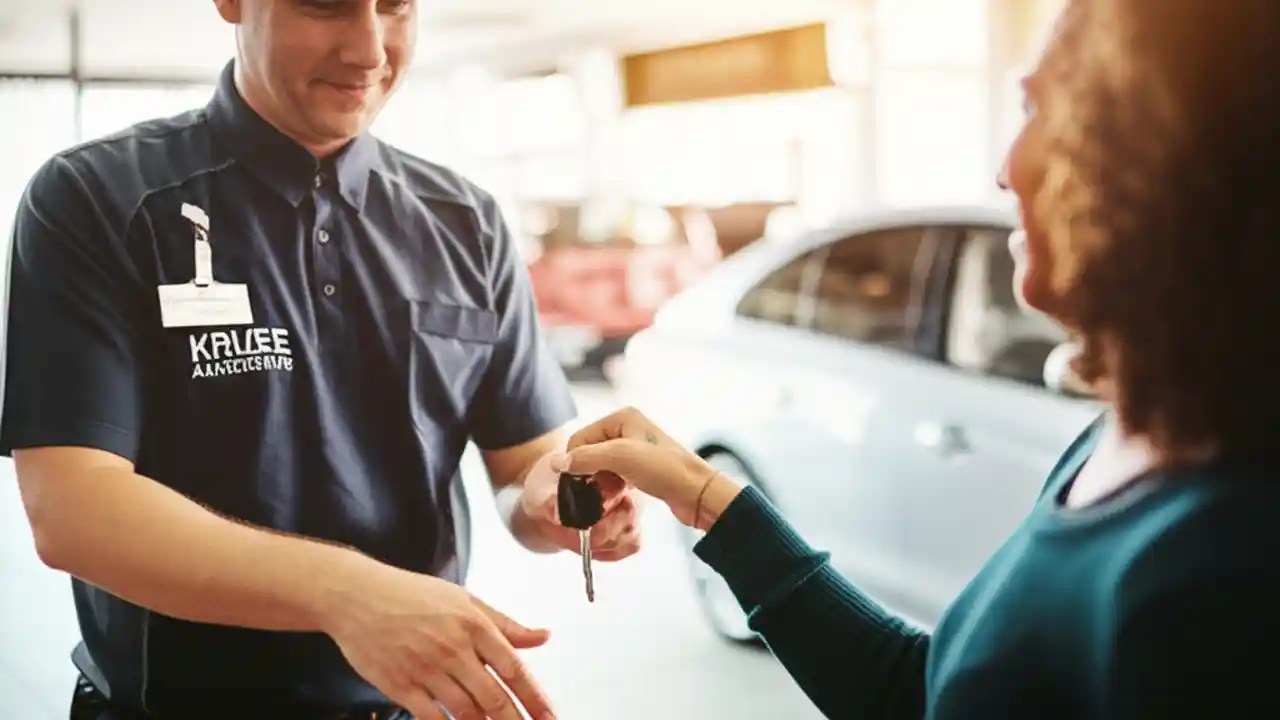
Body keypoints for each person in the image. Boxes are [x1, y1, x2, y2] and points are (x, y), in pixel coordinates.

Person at [535, 1, 1280, 718]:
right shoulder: (1116, 441)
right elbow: (929, 696)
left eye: (1044, 111)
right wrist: (708, 501)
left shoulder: (1228, 565)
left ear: (1165, 159)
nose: (1005, 169)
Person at [0, 1, 641, 718]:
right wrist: (347, 594)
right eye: (327, 4)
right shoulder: (98, 198)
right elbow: (74, 510)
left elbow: (522, 466)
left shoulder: (467, 224)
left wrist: (556, 498)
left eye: (395, 7)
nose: (369, 51)